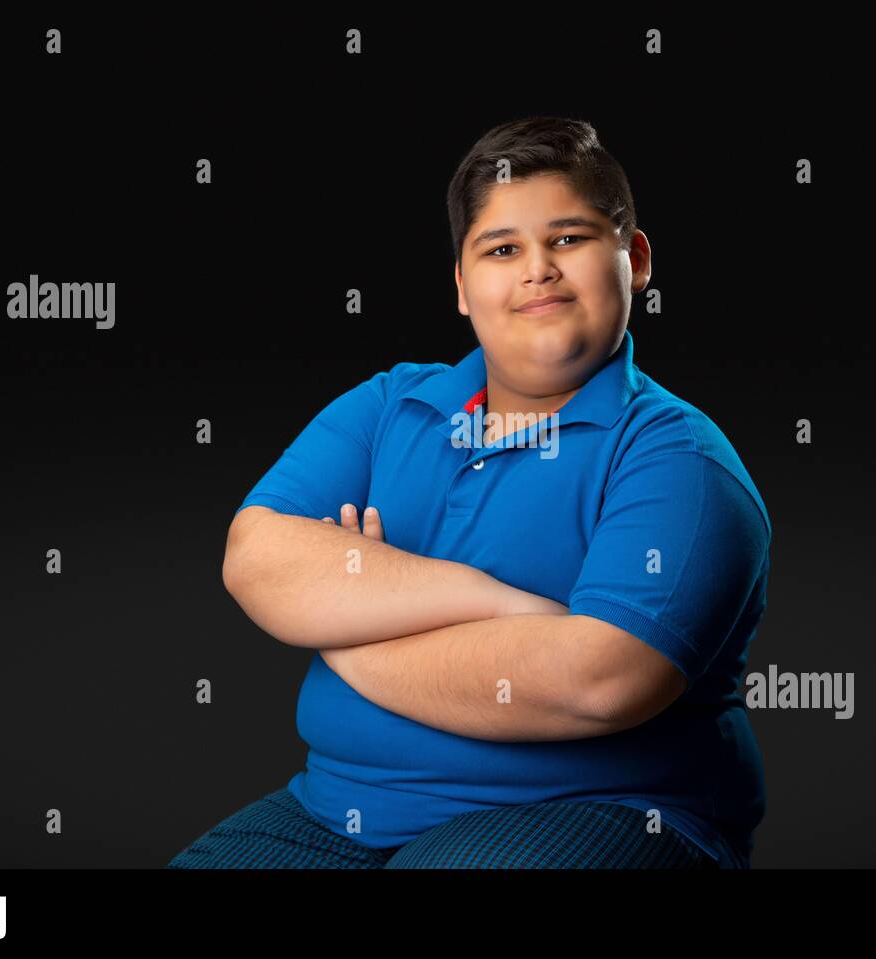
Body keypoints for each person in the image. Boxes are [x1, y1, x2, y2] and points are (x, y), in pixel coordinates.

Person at [167, 117, 771, 869]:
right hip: (334, 807)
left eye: (570, 239)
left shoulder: (677, 457)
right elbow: (254, 556)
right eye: (502, 249)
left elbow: (597, 680)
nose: (538, 270)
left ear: (635, 259)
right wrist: (498, 602)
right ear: (461, 284)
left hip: (600, 812)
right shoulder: (392, 404)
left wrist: (350, 626)